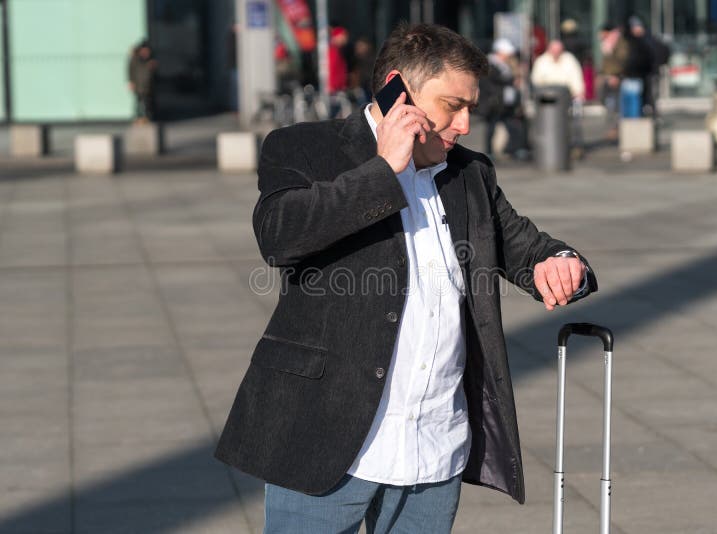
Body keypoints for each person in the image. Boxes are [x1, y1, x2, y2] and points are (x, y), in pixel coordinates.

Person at [214, 23, 597, 534]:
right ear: (399, 90)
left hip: (433, 450)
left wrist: (561, 262)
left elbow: (525, 247)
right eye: (451, 105)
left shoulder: (470, 173)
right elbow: (279, 238)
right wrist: (383, 169)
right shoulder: (304, 148)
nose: (463, 124)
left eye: (470, 109)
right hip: (326, 441)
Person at [531, 39, 586, 156]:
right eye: (554, 51)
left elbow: (576, 77)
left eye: (558, 51)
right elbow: (536, 80)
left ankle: (575, 146)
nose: (556, 54)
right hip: (549, 98)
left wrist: (578, 92)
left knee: (575, 121)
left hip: (568, 96)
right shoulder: (541, 61)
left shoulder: (569, 60)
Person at [478, 37, 528, 160]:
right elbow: (488, 83)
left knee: (512, 126)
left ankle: (515, 149)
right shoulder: (490, 64)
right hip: (494, 103)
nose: (509, 55)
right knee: (491, 128)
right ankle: (489, 152)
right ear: (500, 52)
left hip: (506, 103)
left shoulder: (505, 65)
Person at [597, 22, 628, 139]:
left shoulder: (618, 42)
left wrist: (615, 75)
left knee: (616, 105)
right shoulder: (606, 44)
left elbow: (621, 60)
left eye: (602, 32)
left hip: (617, 78)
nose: (600, 35)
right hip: (608, 78)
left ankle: (616, 128)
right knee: (608, 103)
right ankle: (613, 128)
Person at [127, 40, 157, 123]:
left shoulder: (150, 59)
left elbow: (152, 73)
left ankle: (147, 117)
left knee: (148, 102)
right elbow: (131, 70)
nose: (146, 52)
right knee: (139, 102)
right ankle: (138, 117)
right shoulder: (135, 59)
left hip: (147, 85)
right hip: (138, 84)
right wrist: (131, 82)